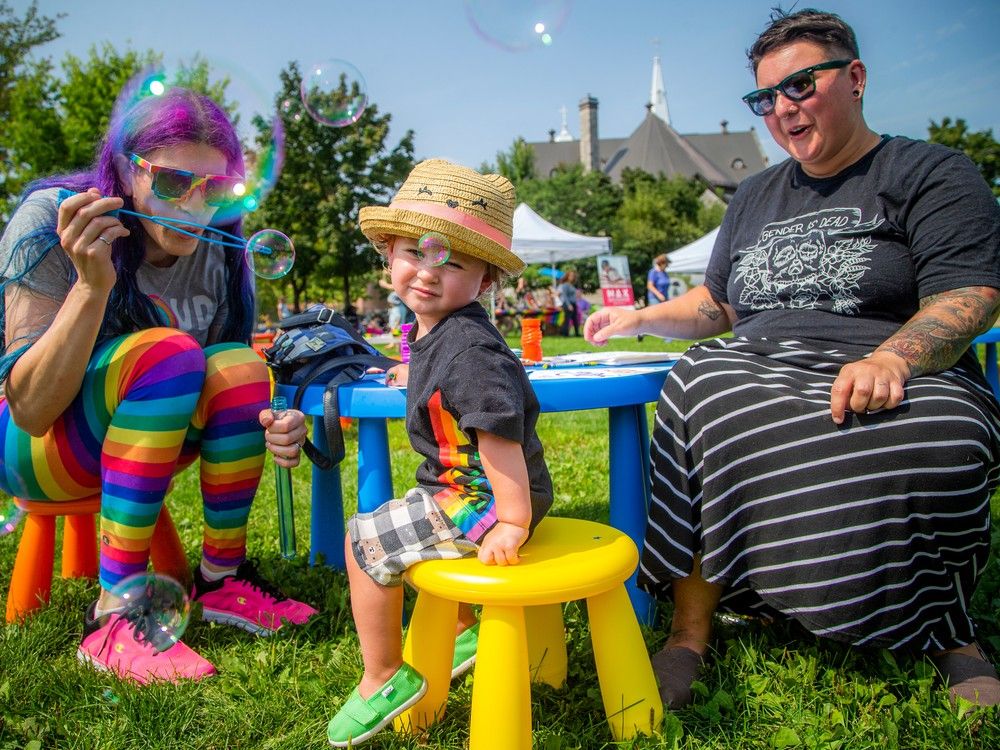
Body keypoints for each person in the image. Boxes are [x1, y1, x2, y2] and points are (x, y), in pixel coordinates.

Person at [584, 8, 1000, 709]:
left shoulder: (930, 171)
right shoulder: (753, 195)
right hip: (762, 366)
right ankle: (690, 632)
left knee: (947, 432)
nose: (782, 108)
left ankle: (950, 633)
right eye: (765, 97)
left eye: (801, 85)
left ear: (856, 77)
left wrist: (894, 358)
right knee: (701, 383)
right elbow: (718, 306)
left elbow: (970, 294)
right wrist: (644, 317)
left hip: (896, 362)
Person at [0, 86, 316, 685]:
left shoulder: (223, 249)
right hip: (35, 447)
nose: (196, 206)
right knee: (168, 353)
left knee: (243, 366)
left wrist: (272, 418)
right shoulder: (51, 221)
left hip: (145, 450)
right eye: (172, 183)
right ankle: (115, 614)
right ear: (123, 170)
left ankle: (223, 581)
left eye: (216, 188)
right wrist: (91, 287)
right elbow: (31, 408)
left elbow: (224, 381)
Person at [318, 159, 554, 746]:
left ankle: (383, 676)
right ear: (389, 254)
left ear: (485, 282)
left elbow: (499, 435)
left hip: (486, 499)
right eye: (415, 252)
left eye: (453, 260)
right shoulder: (437, 331)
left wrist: (513, 521)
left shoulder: (470, 351)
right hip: (461, 489)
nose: (428, 271)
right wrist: (410, 369)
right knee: (407, 523)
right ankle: (465, 628)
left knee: (365, 540)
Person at [556, 268, 579, 336]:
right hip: (567, 304)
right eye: (571, 275)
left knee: (575, 319)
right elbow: (564, 295)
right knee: (567, 319)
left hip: (573, 303)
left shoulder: (571, 285)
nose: (572, 277)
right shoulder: (565, 285)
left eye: (573, 276)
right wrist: (569, 305)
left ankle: (577, 333)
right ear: (567, 276)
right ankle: (565, 333)